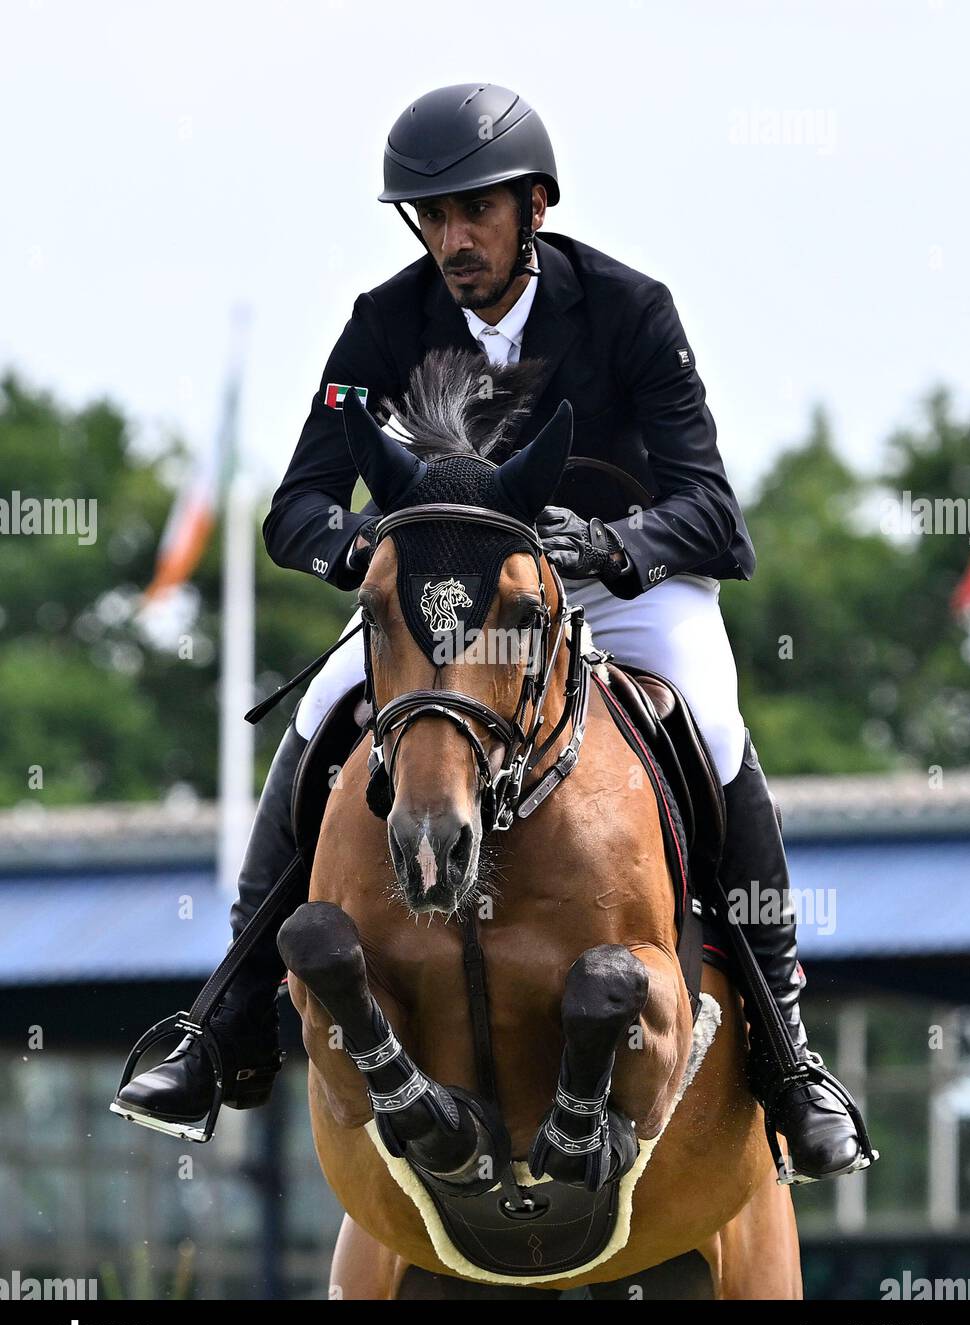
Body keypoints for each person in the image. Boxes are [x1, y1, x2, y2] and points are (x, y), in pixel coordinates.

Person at [117, 83, 869, 1181]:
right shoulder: (382, 321)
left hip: (611, 583)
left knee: (708, 723)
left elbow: (712, 510)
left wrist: (609, 547)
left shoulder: (628, 309)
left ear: (534, 206)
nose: (452, 240)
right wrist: (362, 551)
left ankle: (788, 1055)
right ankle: (221, 1023)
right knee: (320, 716)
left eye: (473, 212)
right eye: (431, 216)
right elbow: (297, 507)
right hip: (443, 603)